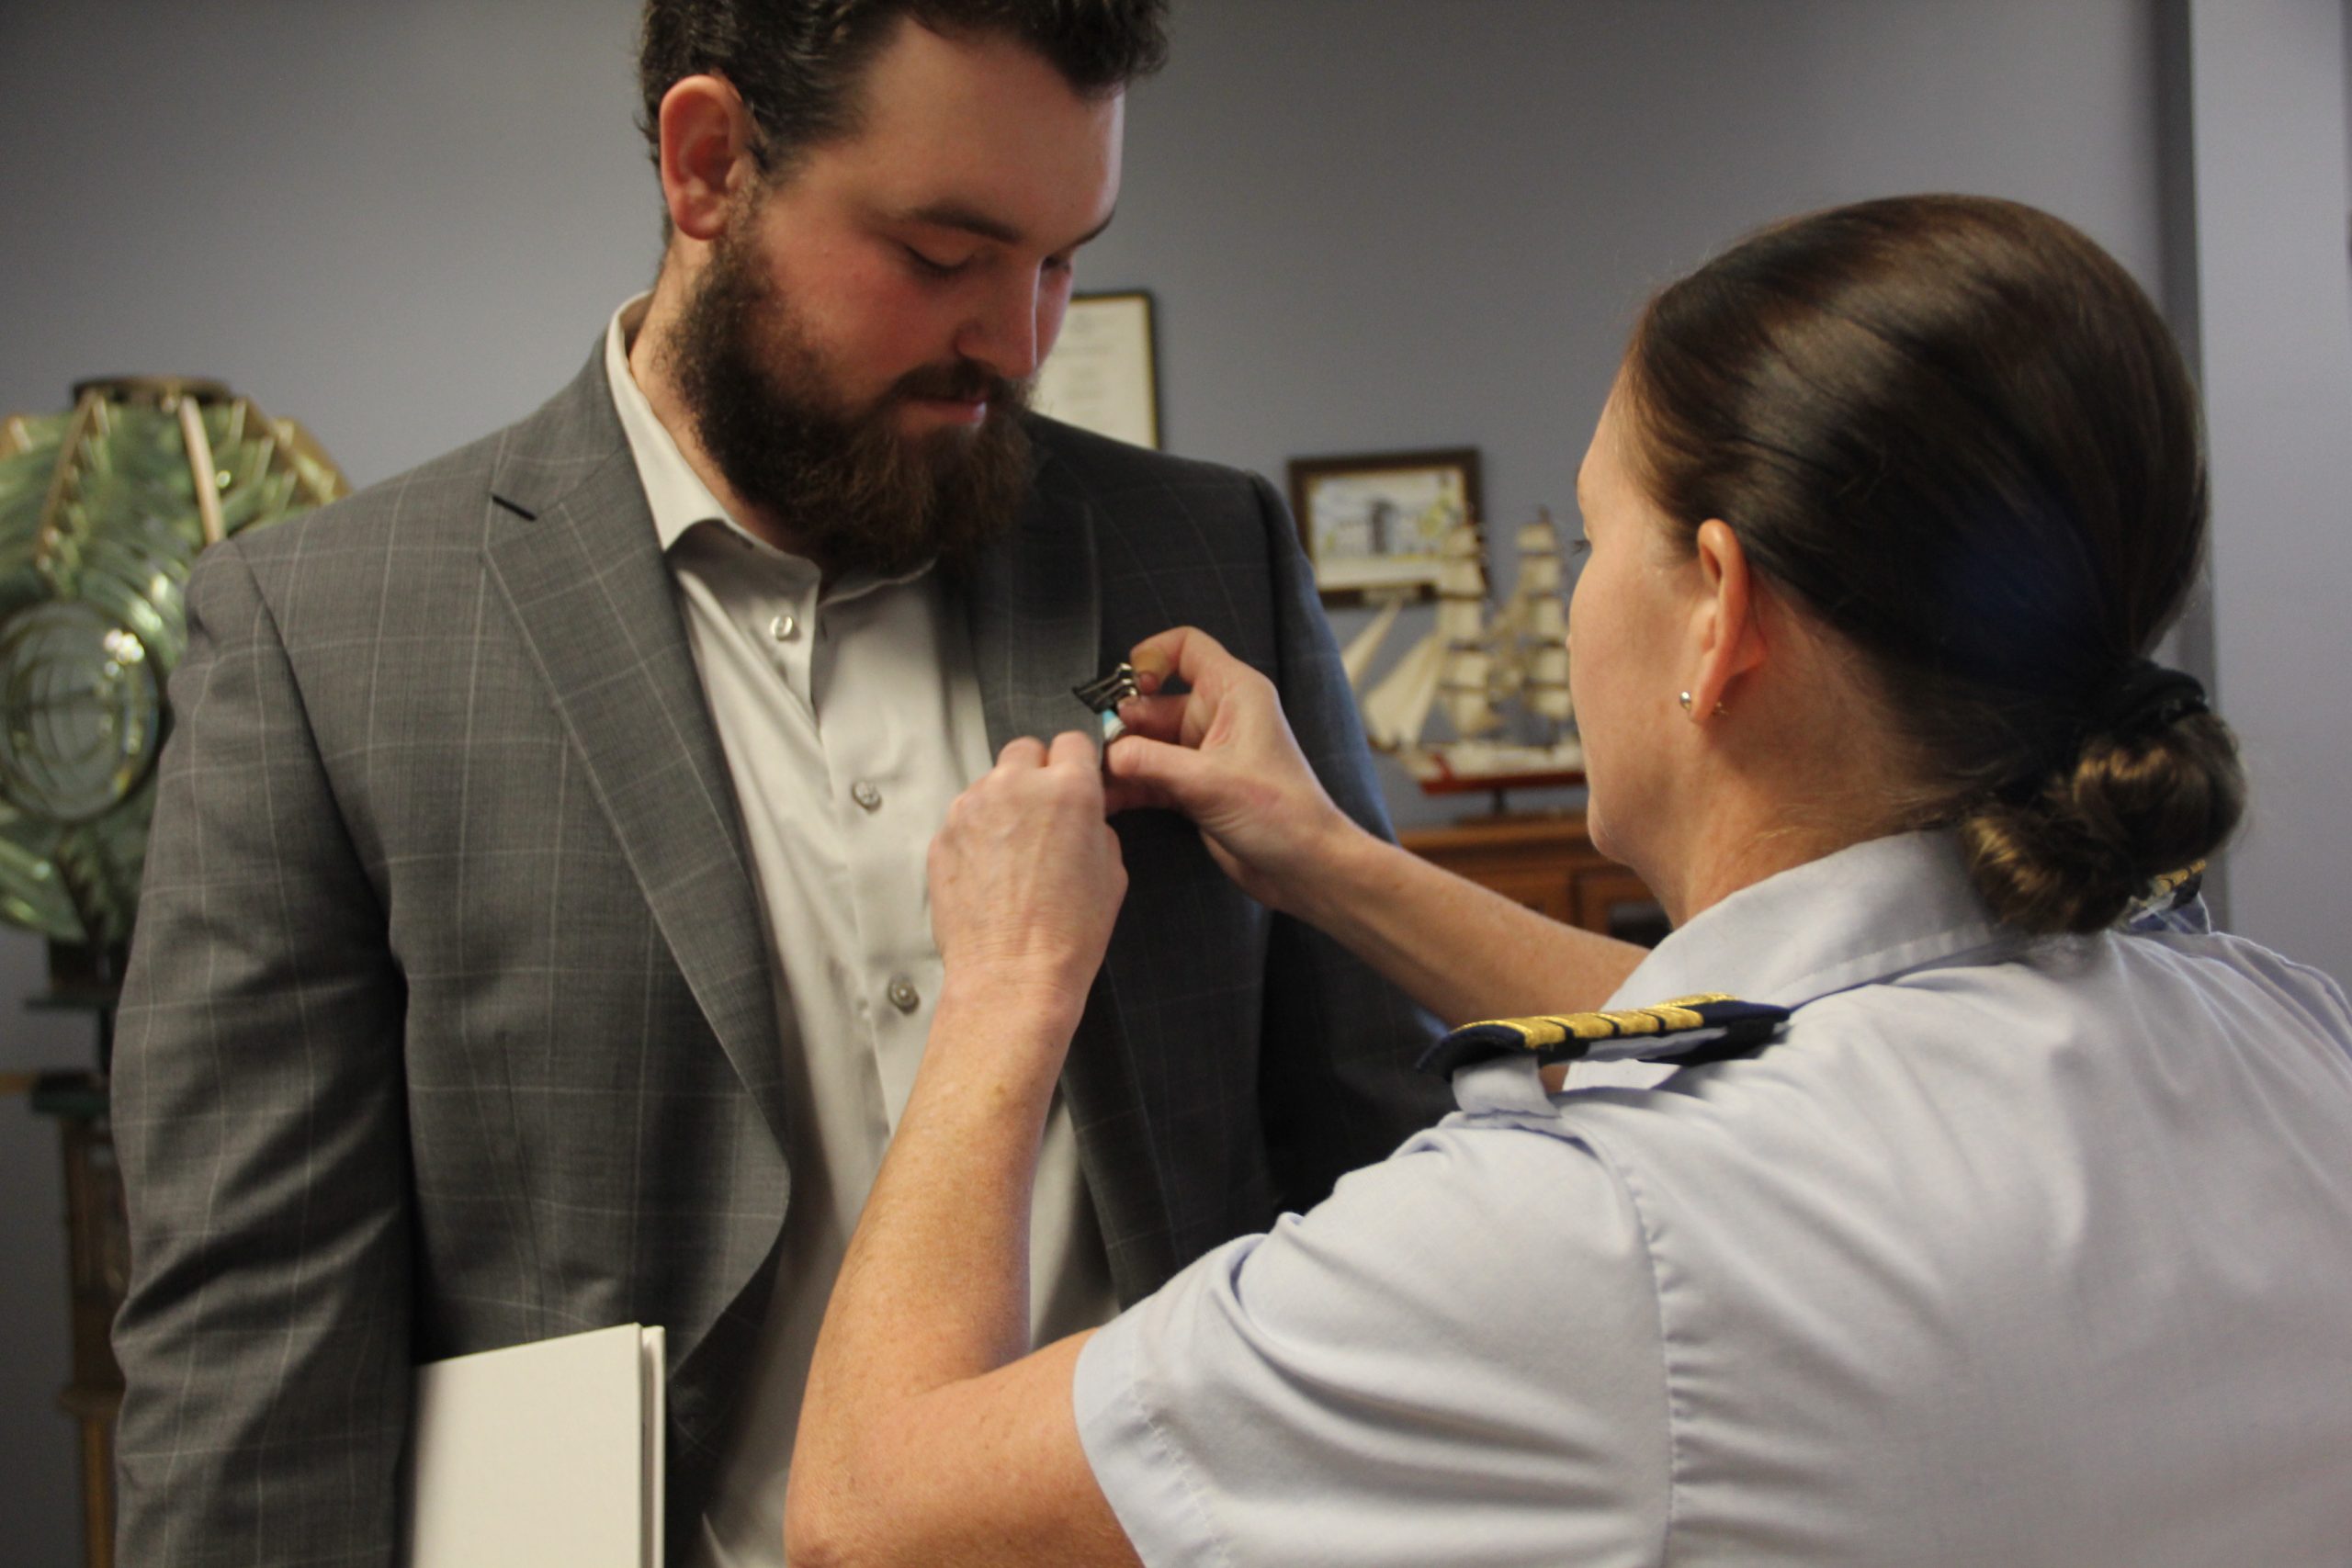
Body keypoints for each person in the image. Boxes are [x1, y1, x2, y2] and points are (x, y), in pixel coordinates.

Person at [107, 5, 1564, 1562]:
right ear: (710, 164)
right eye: (945, 257)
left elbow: (1393, 1172)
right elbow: (250, 1366)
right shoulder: (323, 636)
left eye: (1063, 260)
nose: (1017, 342)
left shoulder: (1207, 554)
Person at [783, 194, 2352, 1566]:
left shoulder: (1574, 1248)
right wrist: (1329, 861)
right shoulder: (2288, 1035)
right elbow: (1814, 1065)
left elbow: (868, 1518)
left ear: (1716, 615)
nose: (1583, 588)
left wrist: (1002, 983)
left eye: (1598, 532)